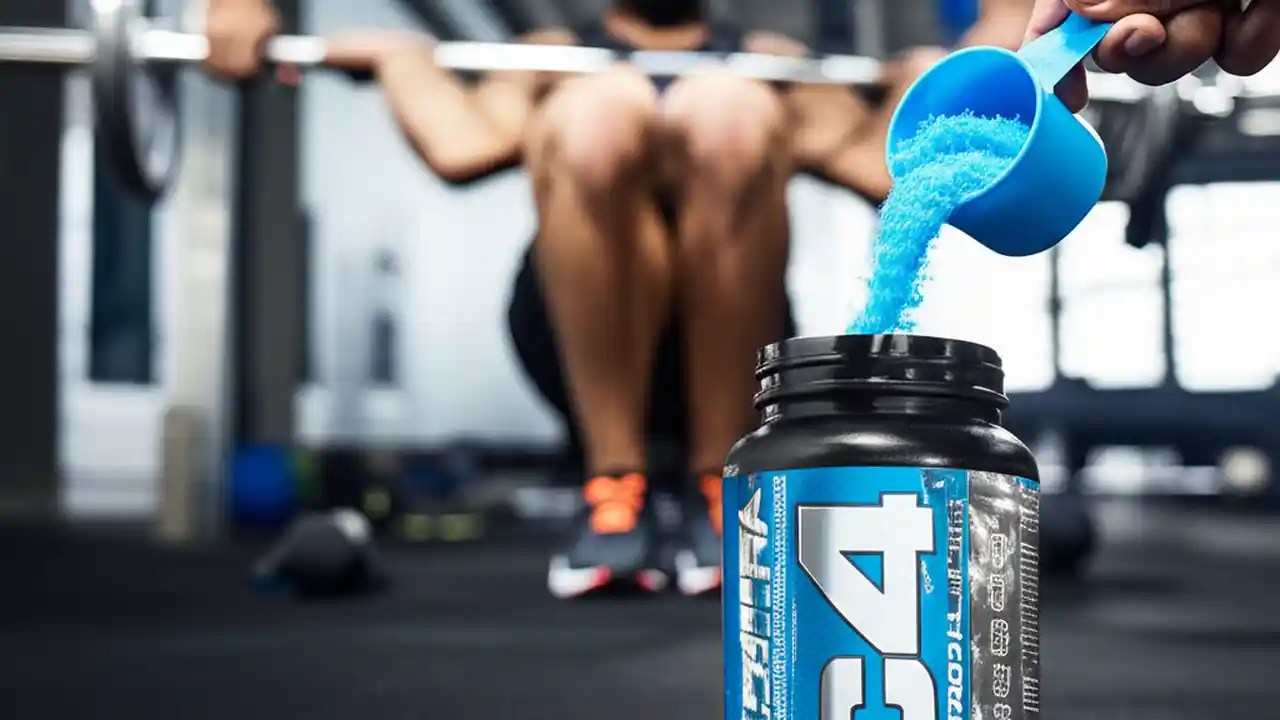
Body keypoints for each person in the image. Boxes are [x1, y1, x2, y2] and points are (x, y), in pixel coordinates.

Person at [199, 0, 1028, 599]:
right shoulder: (555, 53)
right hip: (578, 340)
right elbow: (458, 145)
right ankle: (613, 486)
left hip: (736, 353)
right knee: (600, 106)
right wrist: (395, 54)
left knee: (727, 107)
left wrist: (934, 83)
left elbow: (884, 169)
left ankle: (721, 486)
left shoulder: (768, 61)